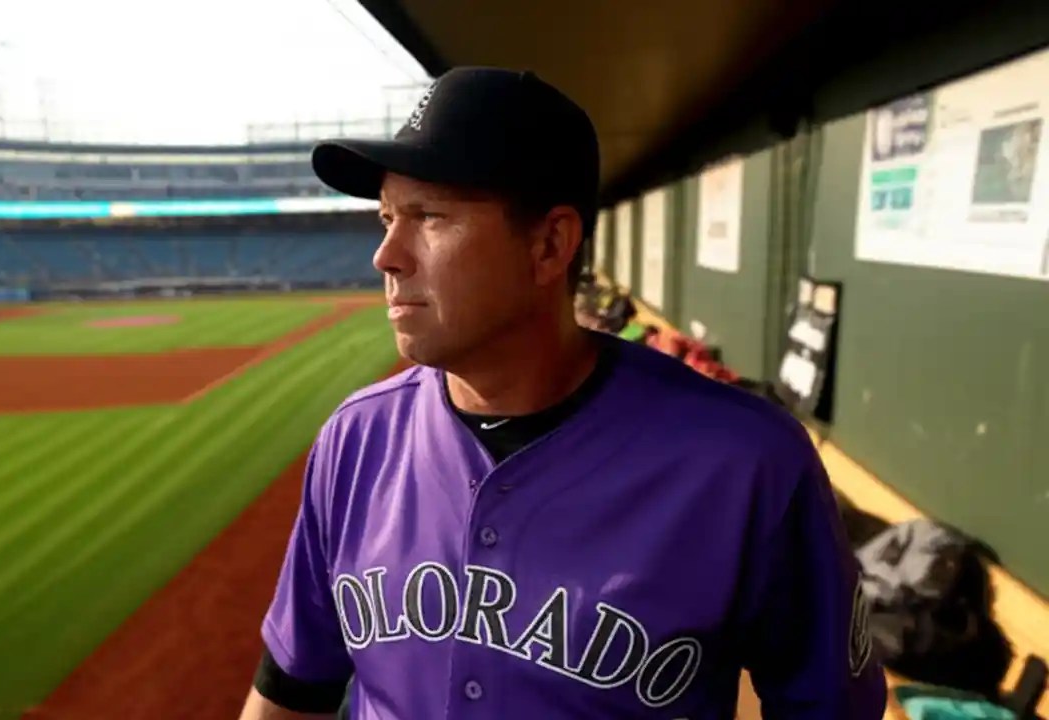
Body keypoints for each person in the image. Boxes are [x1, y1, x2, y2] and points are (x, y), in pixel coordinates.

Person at [238, 66, 886, 719]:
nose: (386, 255)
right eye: (385, 217)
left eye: (429, 216)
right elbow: (291, 689)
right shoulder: (355, 440)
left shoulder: (746, 461)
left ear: (550, 245)